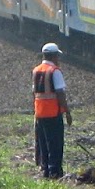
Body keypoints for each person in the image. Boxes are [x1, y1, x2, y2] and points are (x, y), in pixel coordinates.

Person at [32, 42, 72, 179]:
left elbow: (34, 93)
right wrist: (67, 111)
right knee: (55, 143)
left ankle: (46, 170)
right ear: (54, 56)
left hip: (40, 113)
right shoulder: (55, 71)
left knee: (43, 142)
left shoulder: (36, 70)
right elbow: (60, 93)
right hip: (53, 113)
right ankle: (55, 171)